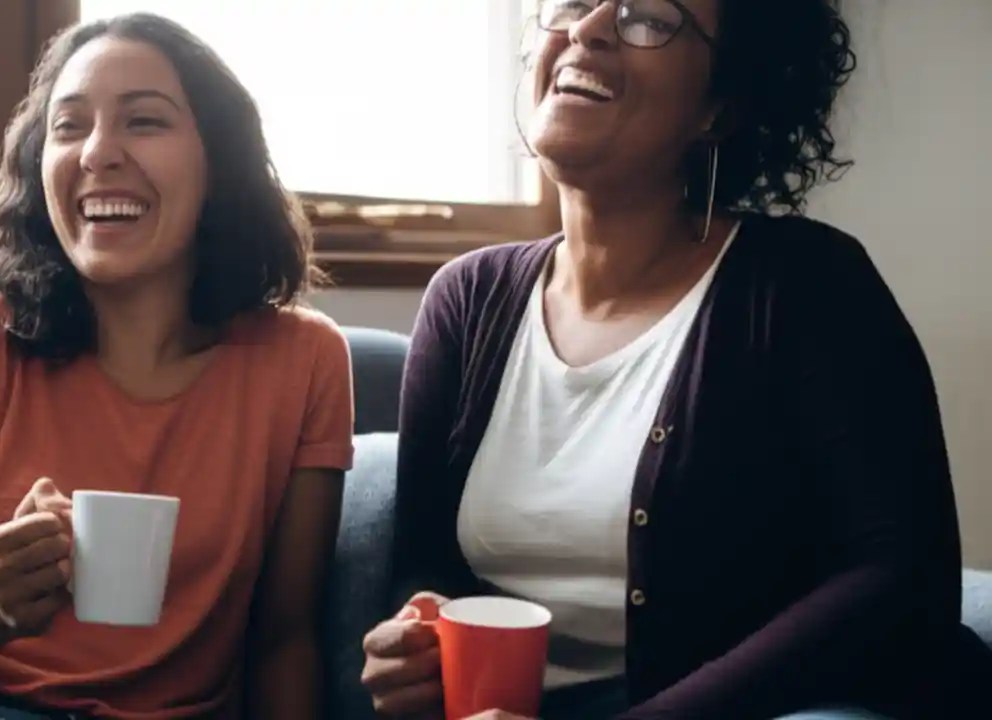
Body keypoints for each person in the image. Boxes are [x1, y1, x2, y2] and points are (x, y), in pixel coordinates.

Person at [361, 1, 992, 719]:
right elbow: (424, 562)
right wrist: (414, 645)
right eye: (574, 1)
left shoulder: (807, 285)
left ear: (719, 107)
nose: (588, 28)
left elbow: (899, 576)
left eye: (649, 17)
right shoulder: (466, 298)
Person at [0, 12, 353, 720]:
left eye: (145, 122)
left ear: (218, 160)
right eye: (68, 127)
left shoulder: (304, 360)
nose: (98, 153)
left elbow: (285, 639)